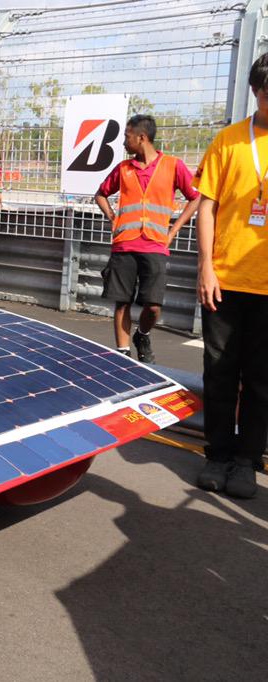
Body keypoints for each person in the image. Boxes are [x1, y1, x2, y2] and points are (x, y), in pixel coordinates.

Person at [192, 54, 268, 500]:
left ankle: (246, 461)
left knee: (261, 379)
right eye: (266, 94)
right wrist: (206, 264)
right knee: (219, 373)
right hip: (225, 277)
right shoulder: (229, 140)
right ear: (256, 92)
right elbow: (207, 206)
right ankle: (217, 453)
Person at [94, 115, 200, 362]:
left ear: (141, 137)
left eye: (127, 136)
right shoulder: (123, 169)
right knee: (122, 302)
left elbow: (195, 197)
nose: (123, 142)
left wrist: (173, 231)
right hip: (124, 245)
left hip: (155, 245)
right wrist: (112, 217)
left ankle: (142, 334)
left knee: (153, 306)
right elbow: (101, 194)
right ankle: (123, 355)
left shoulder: (173, 165)